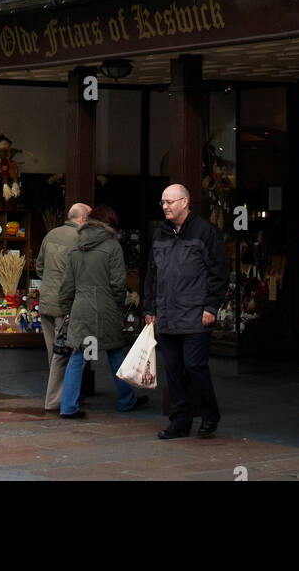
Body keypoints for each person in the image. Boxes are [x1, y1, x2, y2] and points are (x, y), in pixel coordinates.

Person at [143, 183, 229, 439]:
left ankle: (209, 414)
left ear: (185, 202)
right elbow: (152, 274)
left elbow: (219, 273)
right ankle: (180, 423)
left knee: (194, 367)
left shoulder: (206, 232)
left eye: (169, 202)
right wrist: (149, 307)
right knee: (173, 370)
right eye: (163, 202)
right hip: (167, 315)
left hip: (195, 314)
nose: (165, 207)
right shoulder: (161, 234)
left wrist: (211, 306)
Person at [58, 204, 149, 419]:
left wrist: (66, 309)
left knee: (78, 355)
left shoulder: (77, 246)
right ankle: (127, 400)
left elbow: (66, 286)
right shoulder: (112, 246)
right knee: (115, 352)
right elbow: (118, 284)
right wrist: (117, 306)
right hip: (105, 307)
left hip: (81, 307)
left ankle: (68, 407)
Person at [36, 202, 91, 410]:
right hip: (64, 303)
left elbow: (39, 266)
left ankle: (61, 395)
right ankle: (58, 399)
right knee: (64, 353)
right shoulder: (80, 240)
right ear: (82, 219)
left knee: (53, 351)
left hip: (46, 301)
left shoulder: (50, 235)